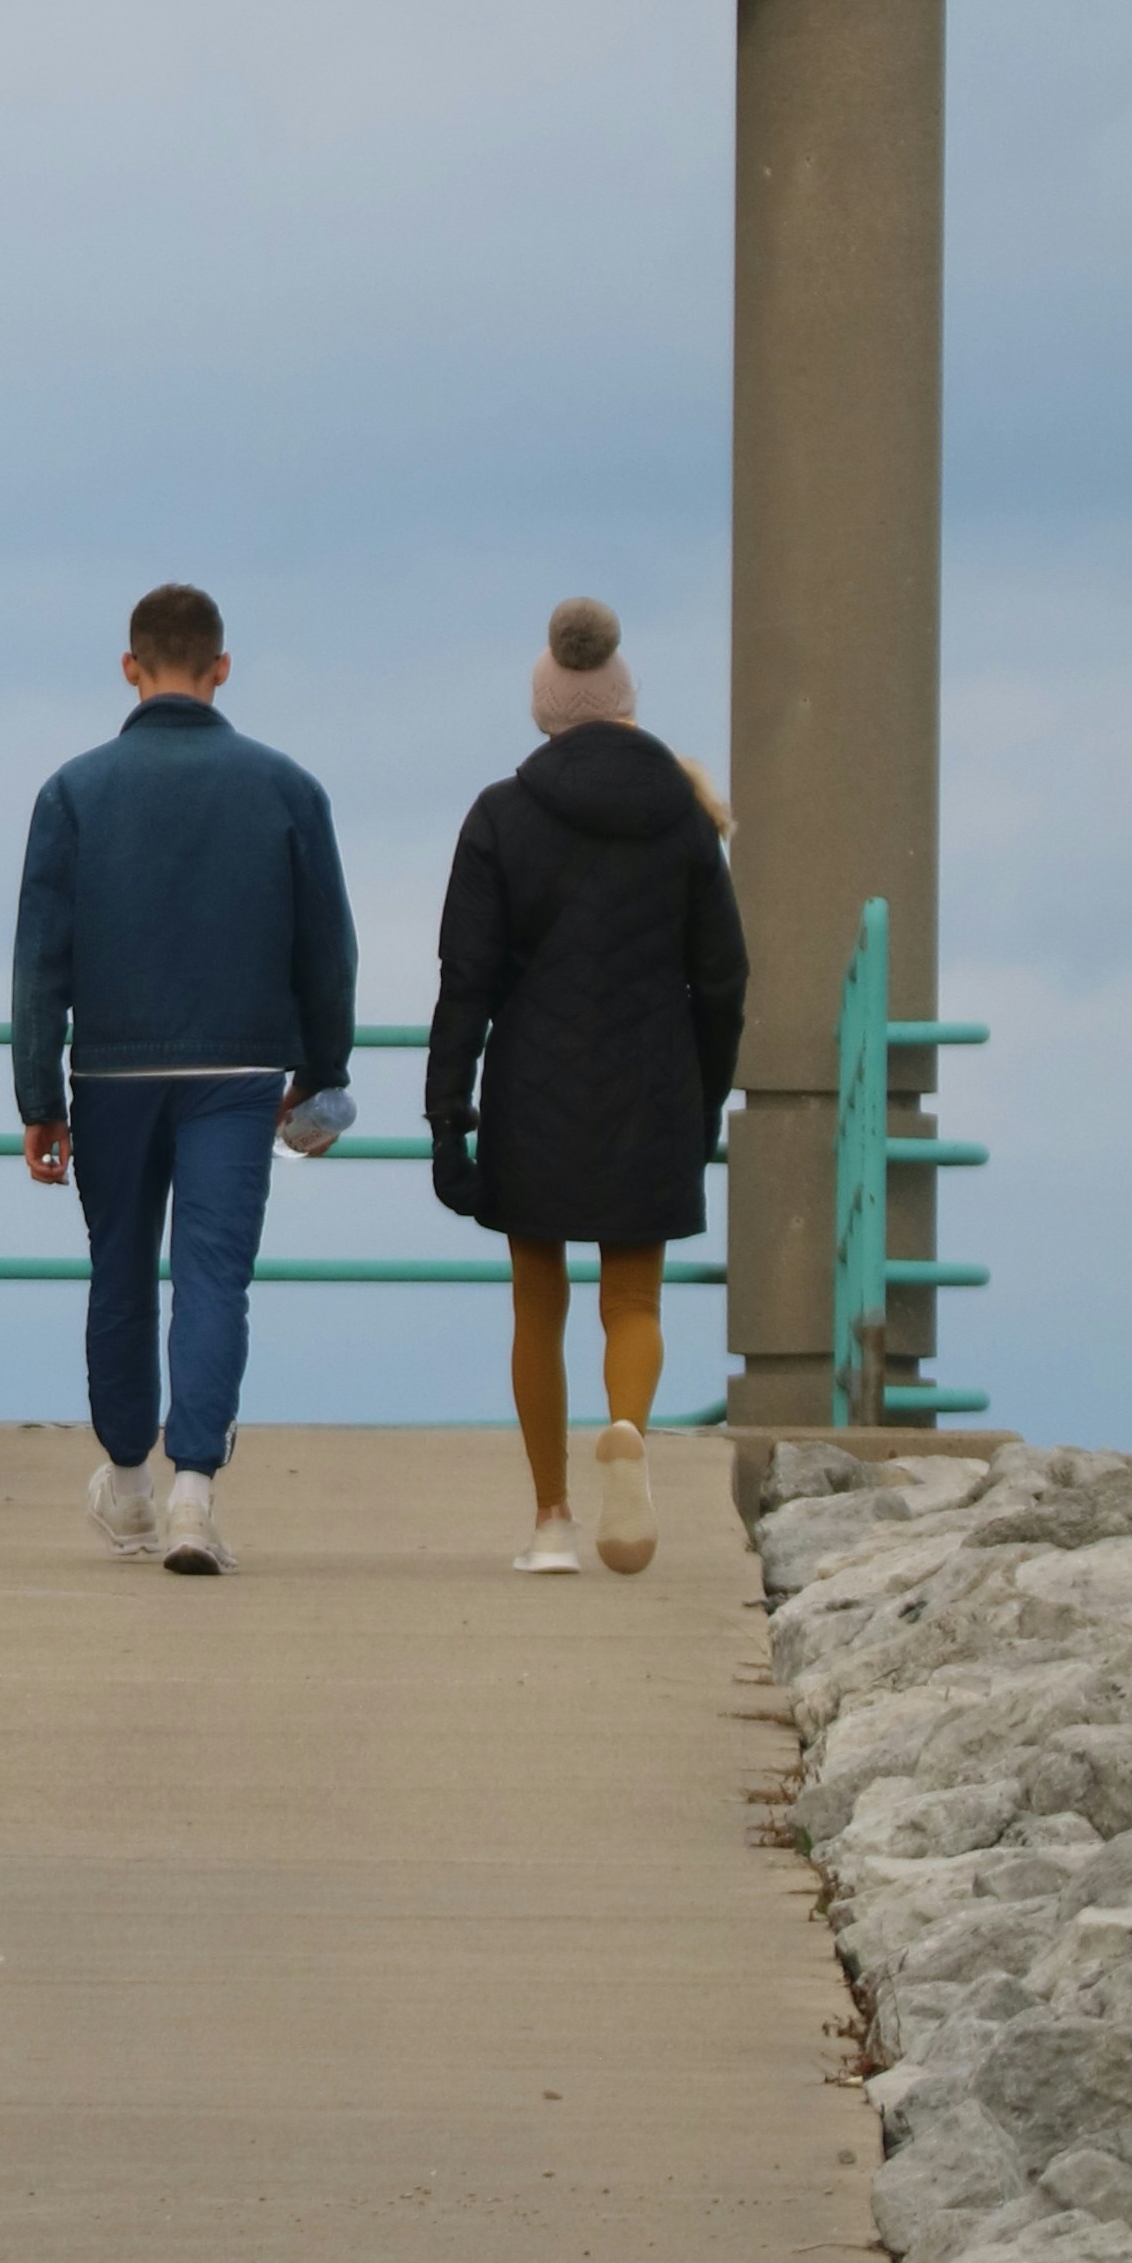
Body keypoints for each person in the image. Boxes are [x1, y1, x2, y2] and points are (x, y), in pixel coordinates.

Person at [11, 583, 357, 1579]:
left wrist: (39, 1096)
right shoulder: (286, 788)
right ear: (221, 668)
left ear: (129, 667)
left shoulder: (72, 792)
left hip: (112, 1066)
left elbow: (41, 959)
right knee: (213, 1274)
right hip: (239, 1068)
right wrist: (321, 1073)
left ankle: (125, 1484)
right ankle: (194, 1497)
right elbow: (327, 949)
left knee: (119, 1267)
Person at [426, 594, 747, 1584]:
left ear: (546, 710)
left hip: (533, 1088)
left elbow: (466, 980)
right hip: (652, 1085)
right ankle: (626, 1430)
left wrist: (449, 1118)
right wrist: (702, 1103)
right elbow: (724, 979)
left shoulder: (500, 815)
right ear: (622, 702)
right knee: (632, 1299)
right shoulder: (685, 822)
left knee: (537, 1304)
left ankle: (553, 1520)